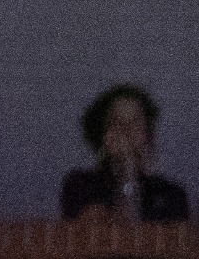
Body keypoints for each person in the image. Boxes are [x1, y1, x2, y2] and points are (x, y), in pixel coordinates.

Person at [61, 84, 190, 223]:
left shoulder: (171, 194)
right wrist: (127, 168)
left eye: (135, 122)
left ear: (147, 135)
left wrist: (131, 167)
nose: (126, 130)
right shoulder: (79, 185)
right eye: (116, 122)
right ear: (103, 136)